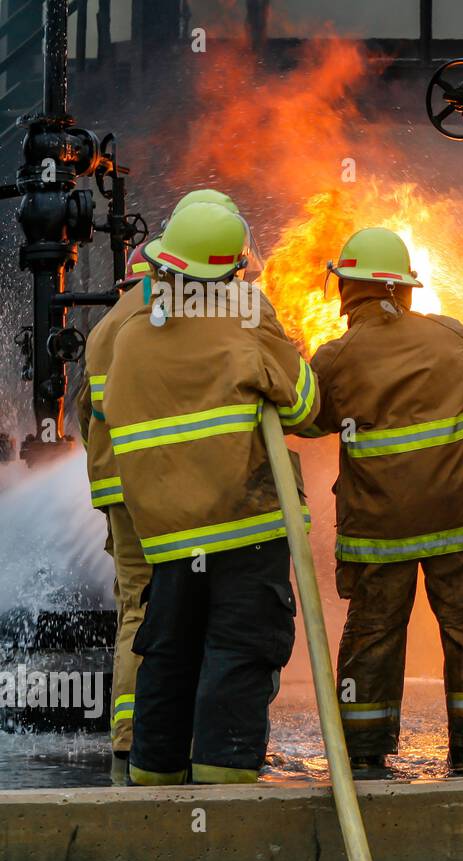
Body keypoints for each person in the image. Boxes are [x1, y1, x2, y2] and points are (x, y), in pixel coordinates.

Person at [103, 199, 320, 784]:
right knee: (239, 655)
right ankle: (223, 800)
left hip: (169, 540)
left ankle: (154, 789)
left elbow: (110, 410)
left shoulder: (129, 337)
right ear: (230, 273)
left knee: (168, 656)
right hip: (245, 532)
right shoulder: (246, 321)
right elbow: (304, 403)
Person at [307, 227, 463, 777]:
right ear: (404, 289)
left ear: (349, 290)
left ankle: (364, 755)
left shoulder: (337, 357)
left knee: (373, 634)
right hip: (459, 522)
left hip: (377, 531)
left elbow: (307, 417)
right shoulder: (452, 337)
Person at [77, 188, 245, 784]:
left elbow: (87, 419)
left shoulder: (106, 330)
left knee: (144, 607)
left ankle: (140, 744)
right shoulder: (171, 321)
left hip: (121, 487)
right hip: (164, 484)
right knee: (159, 609)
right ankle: (142, 740)